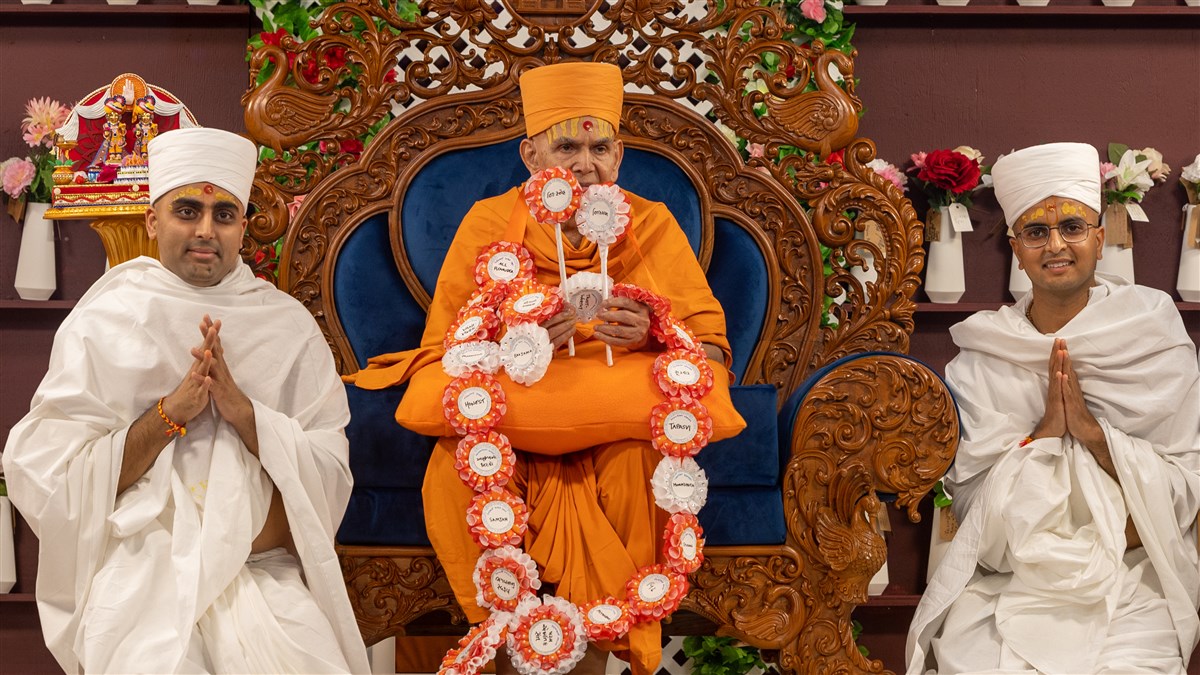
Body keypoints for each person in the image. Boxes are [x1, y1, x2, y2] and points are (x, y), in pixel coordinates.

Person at [349, 62, 742, 674]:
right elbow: (445, 348)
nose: (584, 163)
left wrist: (656, 330)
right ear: (531, 155)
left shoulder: (653, 224)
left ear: (620, 155)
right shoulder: (487, 223)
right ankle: (509, 653)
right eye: (567, 145)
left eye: (600, 146)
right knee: (462, 468)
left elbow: (712, 354)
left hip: (618, 426)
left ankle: (588, 659)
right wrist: (512, 340)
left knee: (639, 465)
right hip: (510, 422)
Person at [2, 127, 370, 674]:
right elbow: (47, 473)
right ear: (153, 221)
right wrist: (168, 416)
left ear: (243, 226)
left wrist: (246, 416)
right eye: (187, 210)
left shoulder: (286, 326)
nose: (206, 230)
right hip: (143, 562)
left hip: (258, 566)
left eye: (223, 214)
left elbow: (328, 472)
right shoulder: (109, 318)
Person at [906, 142, 1200, 674]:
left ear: (1100, 237)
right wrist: (1042, 436)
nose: (1056, 245)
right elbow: (971, 509)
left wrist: (1092, 435)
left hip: (1130, 578)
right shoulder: (984, 355)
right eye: (1036, 232)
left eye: (1072, 226)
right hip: (1009, 583)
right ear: (1015, 248)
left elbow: (1185, 488)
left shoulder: (1151, 332)